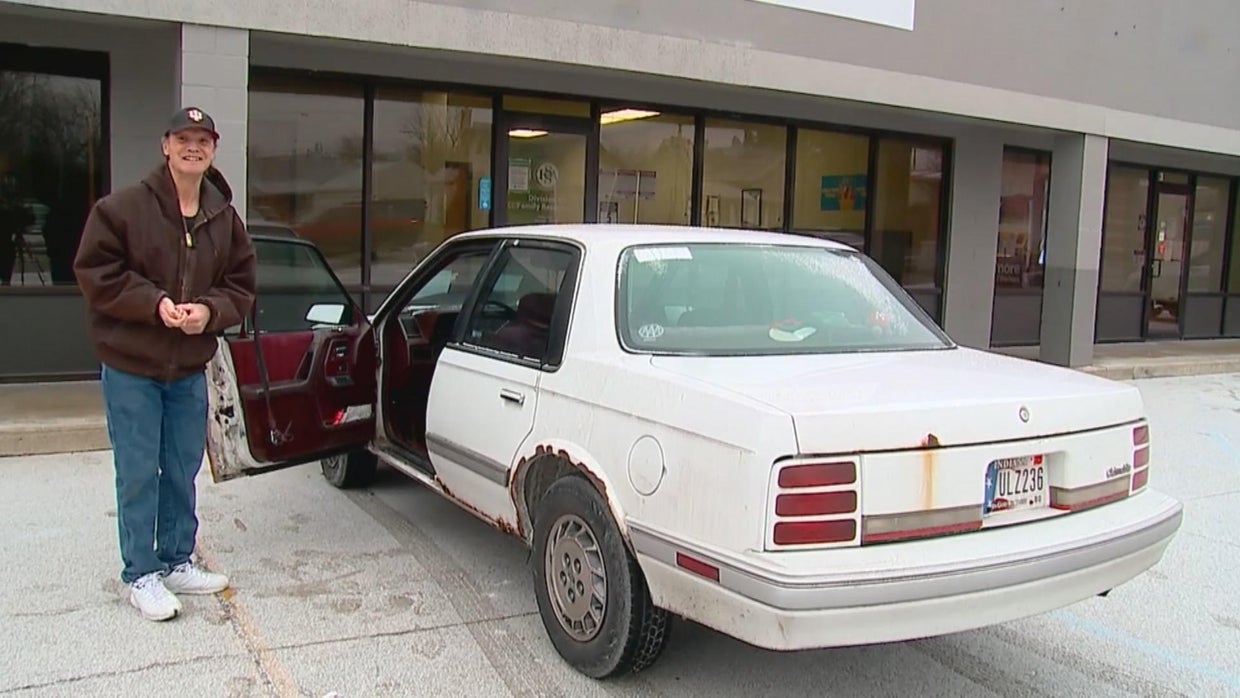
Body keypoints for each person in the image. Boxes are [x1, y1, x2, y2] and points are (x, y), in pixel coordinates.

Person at [73, 107, 257, 621]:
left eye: (202, 140)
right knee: (138, 473)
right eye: (183, 138)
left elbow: (240, 285)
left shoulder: (223, 216)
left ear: (214, 149)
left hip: (187, 369)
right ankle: (141, 572)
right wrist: (154, 303)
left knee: (181, 469)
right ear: (165, 145)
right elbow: (96, 271)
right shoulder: (124, 208)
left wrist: (210, 311)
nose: (192, 147)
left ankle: (177, 558)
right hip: (132, 366)